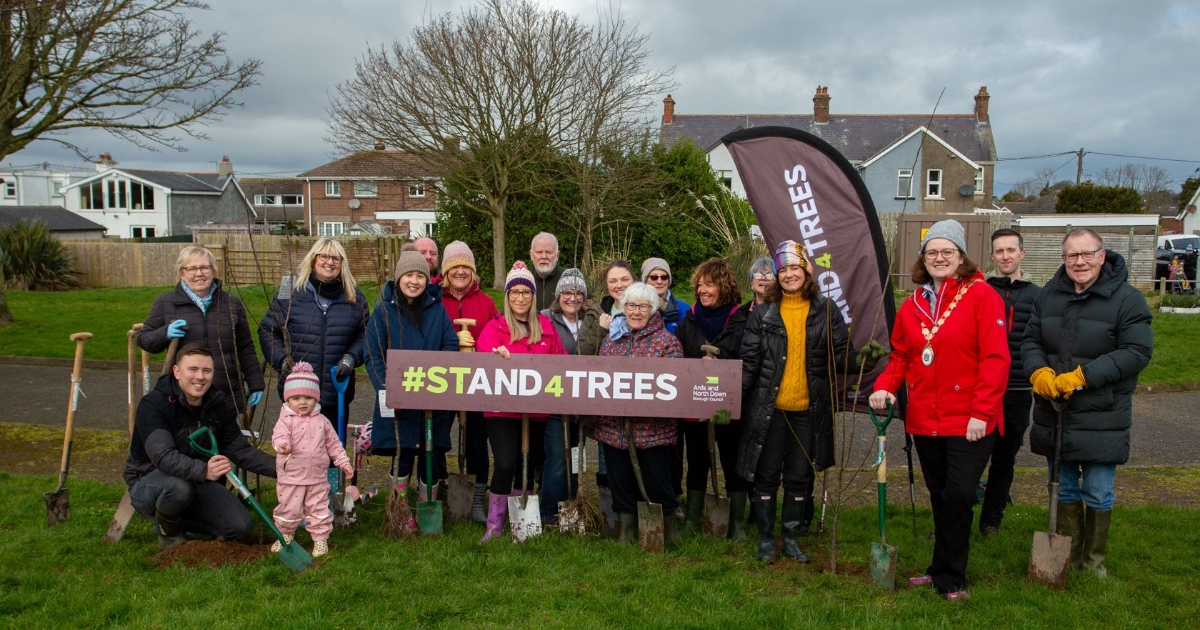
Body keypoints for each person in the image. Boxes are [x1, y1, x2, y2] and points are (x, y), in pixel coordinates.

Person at [870, 220, 1009, 600]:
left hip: (970, 420)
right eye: (932, 252)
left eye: (948, 251)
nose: (939, 258)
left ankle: (952, 578)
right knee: (940, 495)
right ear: (923, 258)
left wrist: (982, 412)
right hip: (926, 420)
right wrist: (884, 387)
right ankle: (938, 570)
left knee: (960, 494)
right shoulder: (913, 303)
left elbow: (996, 359)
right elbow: (901, 355)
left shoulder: (981, 296)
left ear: (961, 255)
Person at [1023, 228, 1153, 578]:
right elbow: (1031, 339)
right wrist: (1038, 372)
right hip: (1056, 409)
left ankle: (1092, 563)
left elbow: (1137, 351)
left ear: (1102, 255)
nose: (1079, 262)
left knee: (1097, 490)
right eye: (1071, 256)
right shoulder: (1049, 296)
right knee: (1063, 485)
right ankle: (1065, 558)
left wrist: (1083, 376)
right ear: (1062, 259)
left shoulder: (1127, 300)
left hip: (1102, 413)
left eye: (1086, 254)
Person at [739, 242, 853, 563]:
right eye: (783, 269)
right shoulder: (763, 313)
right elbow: (749, 363)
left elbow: (841, 356)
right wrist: (730, 401)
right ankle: (765, 539)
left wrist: (867, 359)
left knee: (799, 476)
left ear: (807, 271)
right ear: (777, 275)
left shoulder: (826, 310)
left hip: (808, 411)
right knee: (766, 475)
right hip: (769, 411)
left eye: (795, 268)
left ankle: (790, 539)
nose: (789, 274)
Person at [124, 343, 277, 549]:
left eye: (207, 370)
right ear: (177, 372)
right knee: (178, 486)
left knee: (239, 527)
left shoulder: (217, 405)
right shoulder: (154, 405)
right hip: (151, 481)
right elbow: (163, 456)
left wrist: (284, 467)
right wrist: (204, 470)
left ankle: (170, 521)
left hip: (199, 482)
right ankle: (168, 534)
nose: (200, 377)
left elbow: (241, 450)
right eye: (193, 369)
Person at [475, 261, 567, 543]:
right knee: (505, 462)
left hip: (536, 411)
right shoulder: (495, 328)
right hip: (501, 410)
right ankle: (494, 526)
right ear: (507, 296)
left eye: (525, 293)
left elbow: (560, 363)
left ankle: (521, 524)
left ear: (533, 297)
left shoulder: (547, 328)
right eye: (514, 292)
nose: (520, 298)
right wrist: (495, 357)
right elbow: (481, 361)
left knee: (527, 464)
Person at [365, 251, 459, 512]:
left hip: (432, 398)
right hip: (400, 401)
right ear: (398, 279)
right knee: (403, 452)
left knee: (430, 453)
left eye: (420, 276)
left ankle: (426, 507)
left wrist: (438, 375)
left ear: (427, 280)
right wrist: (387, 389)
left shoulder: (437, 311)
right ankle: (399, 509)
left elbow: (450, 344)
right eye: (409, 275)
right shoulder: (384, 312)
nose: (414, 281)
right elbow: (373, 354)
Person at [593, 282, 685, 543]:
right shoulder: (612, 341)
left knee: (658, 482)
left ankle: (668, 530)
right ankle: (627, 529)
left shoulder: (668, 343)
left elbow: (675, 389)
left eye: (643, 306)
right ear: (623, 308)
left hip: (653, 431)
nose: (636, 312)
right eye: (631, 305)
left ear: (653, 309)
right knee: (620, 480)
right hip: (615, 429)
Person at [138, 246, 264, 417]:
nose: (199, 273)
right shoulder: (166, 303)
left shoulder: (231, 303)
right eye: (191, 268)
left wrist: (256, 383)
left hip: (225, 391)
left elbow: (245, 347)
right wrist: (165, 333)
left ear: (213, 270)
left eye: (205, 267)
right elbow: (144, 339)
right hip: (182, 392)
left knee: (224, 441)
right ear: (181, 273)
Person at [673, 258, 750, 541]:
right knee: (697, 461)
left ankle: (737, 525)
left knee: (732, 461)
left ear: (725, 287)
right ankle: (692, 520)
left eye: (710, 285)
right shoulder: (689, 320)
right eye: (701, 285)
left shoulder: (740, 321)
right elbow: (678, 358)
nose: (704, 290)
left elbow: (748, 359)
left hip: (728, 405)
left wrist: (721, 362)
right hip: (696, 403)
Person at [259, 237, 369, 423]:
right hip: (297, 393)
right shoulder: (291, 293)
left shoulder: (355, 298)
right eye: (324, 256)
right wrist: (283, 361)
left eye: (336, 258)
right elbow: (267, 330)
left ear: (342, 263)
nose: (330, 262)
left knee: (333, 449)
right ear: (313, 259)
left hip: (336, 392)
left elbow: (365, 336)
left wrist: (351, 357)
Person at [979, 228, 1040, 536]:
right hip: (983, 391)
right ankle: (955, 519)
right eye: (999, 251)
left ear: (1021, 254)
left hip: (1017, 390)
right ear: (992, 257)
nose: (1005, 256)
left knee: (1004, 461)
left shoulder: (1038, 295)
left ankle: (991, 520)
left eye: (1011, 250)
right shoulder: (982, 291)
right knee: (971, 460)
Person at [438, 240, 500, 522]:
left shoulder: (485, 302)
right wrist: (453, 337)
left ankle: (476, 499)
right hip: (441, 380)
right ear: (446, 270)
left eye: (466, 266)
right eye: (454, 266)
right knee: (438, 437)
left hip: (476, 382)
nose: (460, 271)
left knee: (477, 440)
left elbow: (498, 331)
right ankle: (437, 492)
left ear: (473, 271)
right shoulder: (434, 298)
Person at [270, 362, 353, 558]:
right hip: (291, 477)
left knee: (319, 509)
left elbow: (334, 445)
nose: (303, 402)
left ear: (315, 399)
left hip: (317, 478)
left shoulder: (322, 421)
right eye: (296, 398)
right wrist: (282, 445)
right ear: (288, 400)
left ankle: (320, 540)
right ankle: (285, 535)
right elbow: (278, 436)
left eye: (308, 397)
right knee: (288, 509)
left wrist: (343, 462)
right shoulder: (285, 420)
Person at [577, 259, 637, 527]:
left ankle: (635, 510)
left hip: (636, 395)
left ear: (633, 281)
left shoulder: (643, 307)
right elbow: (584, 354)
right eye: (613, 280)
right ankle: (610, 516)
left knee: (637, 455)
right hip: (605, 398)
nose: (618, 285)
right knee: (607, 457)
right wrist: (602, 329)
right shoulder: (595, 313)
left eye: (624, 279)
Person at [539, 268, 588, 523]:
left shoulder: (591, 320)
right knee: (558, 458)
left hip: (583, 405)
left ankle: (571, 507)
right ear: (558, 295)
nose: (573, 297)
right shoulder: (544, 319)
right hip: (555, 404)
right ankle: (549, 513)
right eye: (567, 292)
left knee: (576, 460)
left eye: (579, 292)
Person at [641, 257, 690, 335]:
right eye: (654, 277)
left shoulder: (684, 309)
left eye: (664, 277)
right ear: (645, 280)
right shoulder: (635, 309)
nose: (659, 281)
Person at [530, 232, 564, 312]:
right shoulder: (523, 280)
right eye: (539, 252)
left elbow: (592, 308)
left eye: (549, 252)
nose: (544, 257)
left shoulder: (570, 278)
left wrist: (583, 324)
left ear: (557, 255)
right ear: (531, 255)